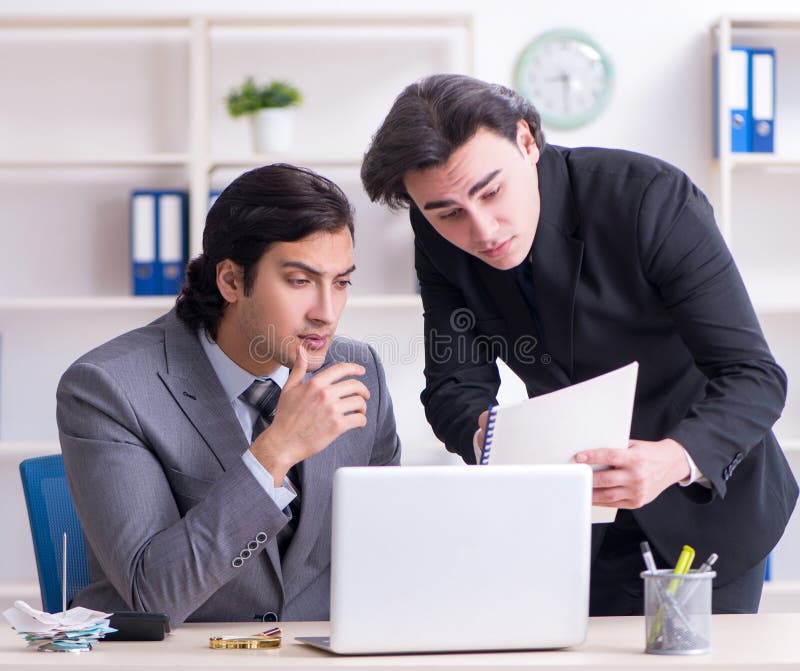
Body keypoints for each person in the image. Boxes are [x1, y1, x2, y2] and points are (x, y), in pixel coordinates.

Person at [360, 73, 797, 615]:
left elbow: (753, 376)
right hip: (572, 519)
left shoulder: (650, 197)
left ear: (526, 140)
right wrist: (490, 441)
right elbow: (453, 384)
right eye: (448, 212)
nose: (483, 230)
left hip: (705, 509)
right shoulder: (436, 234)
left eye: (491, 192)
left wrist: (673, 458)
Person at [57, 164, 401, 625]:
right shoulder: (108, 388)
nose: (327, 312)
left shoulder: (358, 372)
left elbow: (386, 548)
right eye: (300, 281)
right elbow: (153, 597)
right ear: (232, 281)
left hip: (316, 650)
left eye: (340, 283)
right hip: (175, 654)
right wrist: (275, 453)